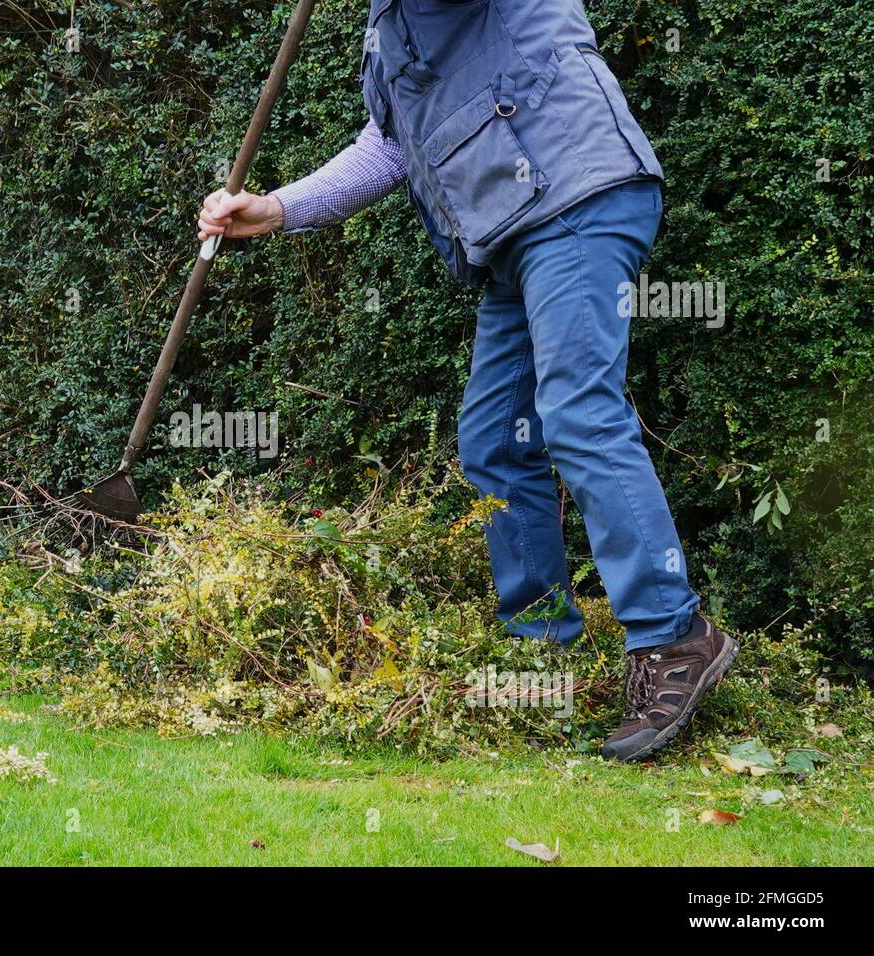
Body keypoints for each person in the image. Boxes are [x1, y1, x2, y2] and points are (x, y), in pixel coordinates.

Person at [196, 0, 738, 761]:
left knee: (579, 414)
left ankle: (673, 636)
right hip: (512, 235)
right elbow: (389, 149)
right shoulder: (387, 30)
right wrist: (280, 208)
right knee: (493, 442)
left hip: (577, 195)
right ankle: (544, 655)